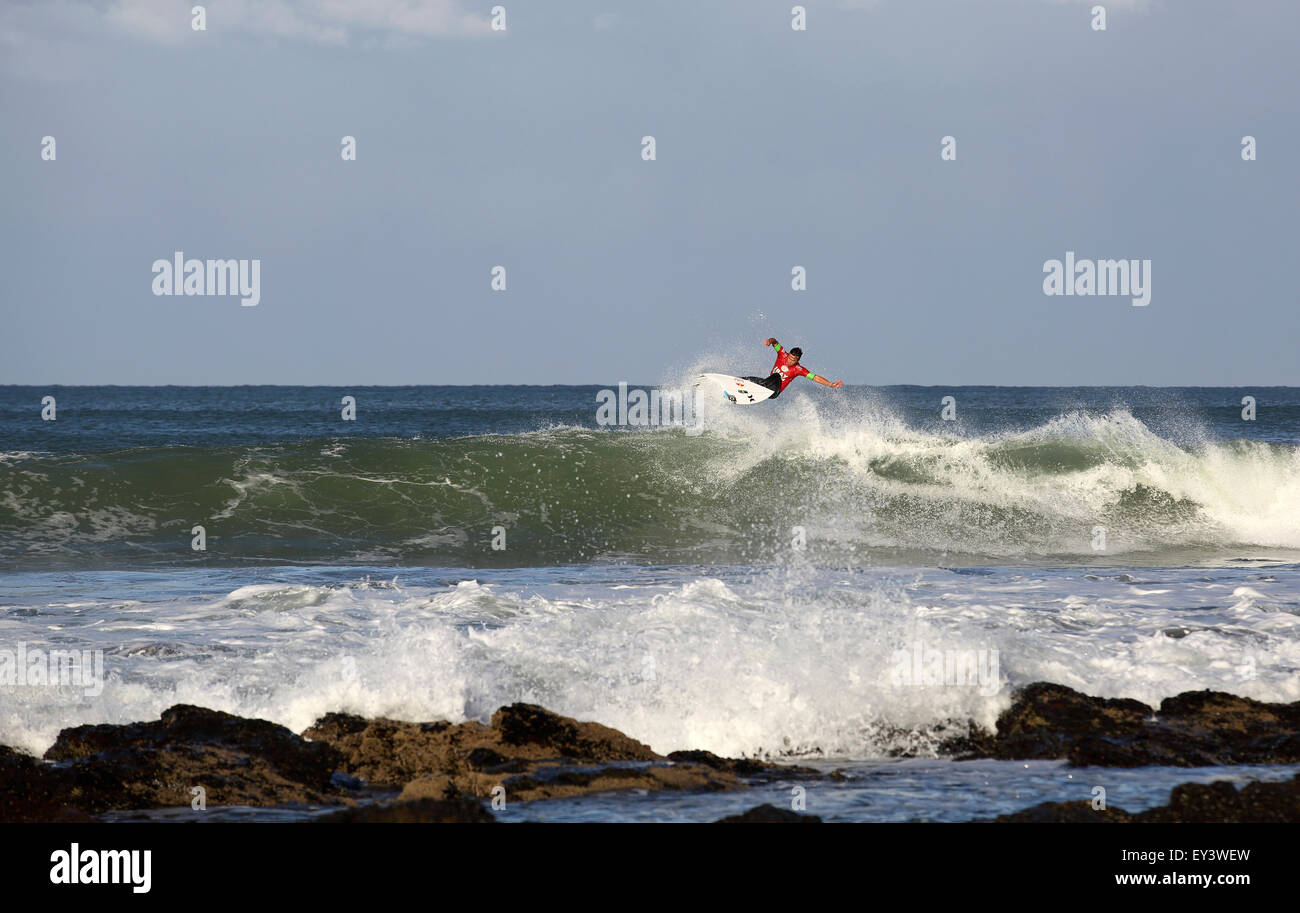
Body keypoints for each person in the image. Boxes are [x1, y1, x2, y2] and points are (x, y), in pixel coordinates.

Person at [744, 337, 843, 398]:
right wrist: (769, 341)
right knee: (752, 379)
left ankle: (760, 387)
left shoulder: (798, 369)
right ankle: (741, 381)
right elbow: (775, 342)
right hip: (766, 383)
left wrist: (830, 384)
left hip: (774, 391)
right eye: (789, 358)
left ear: (797, 360)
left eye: (793, 360)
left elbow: (815, 377)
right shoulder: (782, 354)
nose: (789, 361)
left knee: (776, 376)